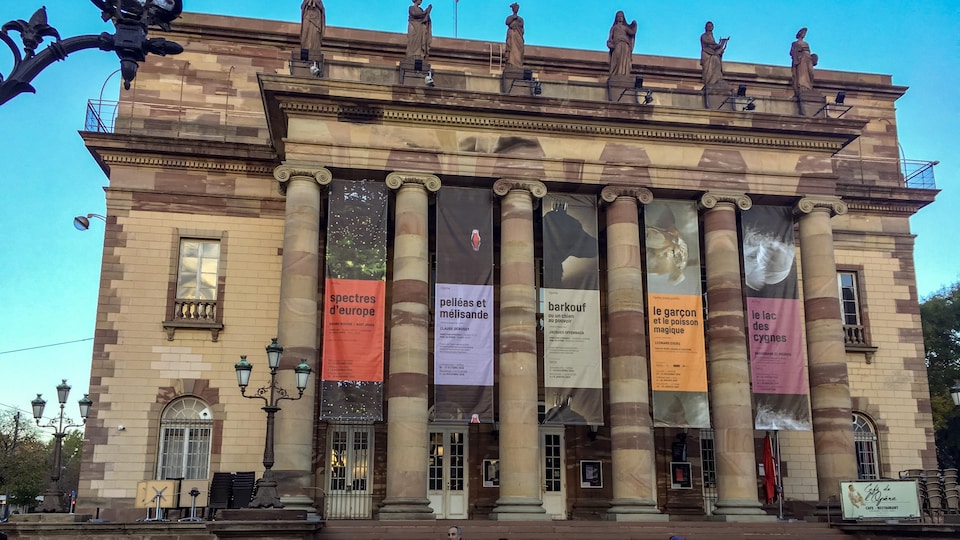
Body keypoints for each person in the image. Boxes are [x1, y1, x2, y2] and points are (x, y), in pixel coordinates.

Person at [606, 11, 638, 76]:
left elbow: (632, 32)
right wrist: (610, 44)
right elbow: (610, 38)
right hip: (617, 44)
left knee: (624, 60)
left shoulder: (625, 28)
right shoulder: (614, 28)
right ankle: (615, 73)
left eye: (621, 16)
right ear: (616, 18)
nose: (620, 18)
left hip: (625, 44)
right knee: (617, 58)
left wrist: (634, 25)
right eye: (618, 16)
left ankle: (623, 73)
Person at [700, 21, 728, 87]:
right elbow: (707, 42)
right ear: (705, 27)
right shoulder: (704, 35)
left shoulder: (711, 36)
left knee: (717, 59)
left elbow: (713, 46)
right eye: (708, 26)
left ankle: (717, 79)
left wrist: (720, 45)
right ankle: (710, 80)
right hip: (707, 54)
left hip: (713, 53)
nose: (710, 27)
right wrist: (716, 44)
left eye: (711, 26)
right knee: (714, 59)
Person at [790, 27, 817, 94]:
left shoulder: (806, 43)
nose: (804, 35)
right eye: (803, 33)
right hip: (801, 60)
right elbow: (791, 52)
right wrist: (799, 52)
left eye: (804, 34)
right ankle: (802, 86)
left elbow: (808, 52)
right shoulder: (795, 43)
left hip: (808, 59)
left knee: (810, 72)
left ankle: (808, 86)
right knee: (802, 74)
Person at [504, 3, 525, 67]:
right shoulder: (510, 17)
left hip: (518, 36)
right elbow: (507, 22)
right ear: (513, 9)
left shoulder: (520, 19)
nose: (516, 9)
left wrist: (516, 19)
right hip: (512, 35)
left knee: (519, 50)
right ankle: (511, 63)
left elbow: (521, 26)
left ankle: (518, 64)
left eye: (517, 8)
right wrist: (513, 17)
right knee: (512, 50)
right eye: (515, 8)